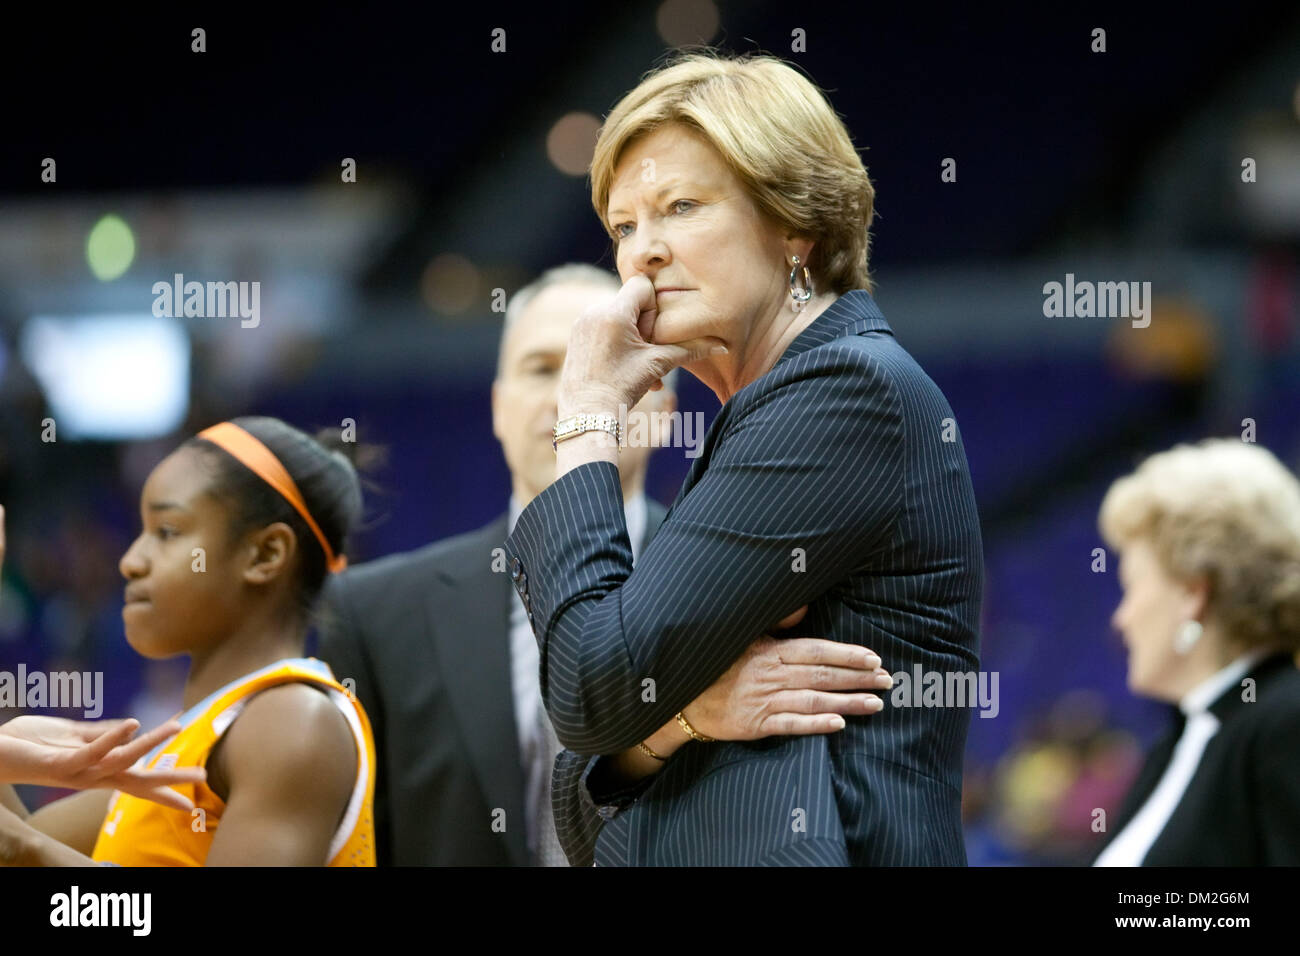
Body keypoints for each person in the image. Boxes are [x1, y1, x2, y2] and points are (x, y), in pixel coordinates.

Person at [506, 52, 984, 866]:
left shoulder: (841, 394)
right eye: (624, 226)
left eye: (680, 207)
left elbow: (590, 690)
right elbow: (582, 797)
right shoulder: (768, 413)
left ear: (796, 224)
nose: (641, 254)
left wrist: (588, 422)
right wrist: (687, 716)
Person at [317, 264, 890, 865]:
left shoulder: (760, 580)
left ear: (664, 405)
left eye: (602, 365)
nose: (570, 392)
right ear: (497, 408)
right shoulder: (372, 612)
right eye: (541, 368)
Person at [0, 417, 378, 866]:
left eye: (167, 532)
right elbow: (16, 852)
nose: (130, 561)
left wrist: (31, 850)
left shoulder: (292, 719)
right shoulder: (180, 751)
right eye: (139, 532)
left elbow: (26, 849)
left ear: (265, 554)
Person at [1091, 438, 1300, 865]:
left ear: (1193, 592)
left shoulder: (1284, 724)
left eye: (1131, 587)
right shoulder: (1178, 743)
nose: (1122, 618)